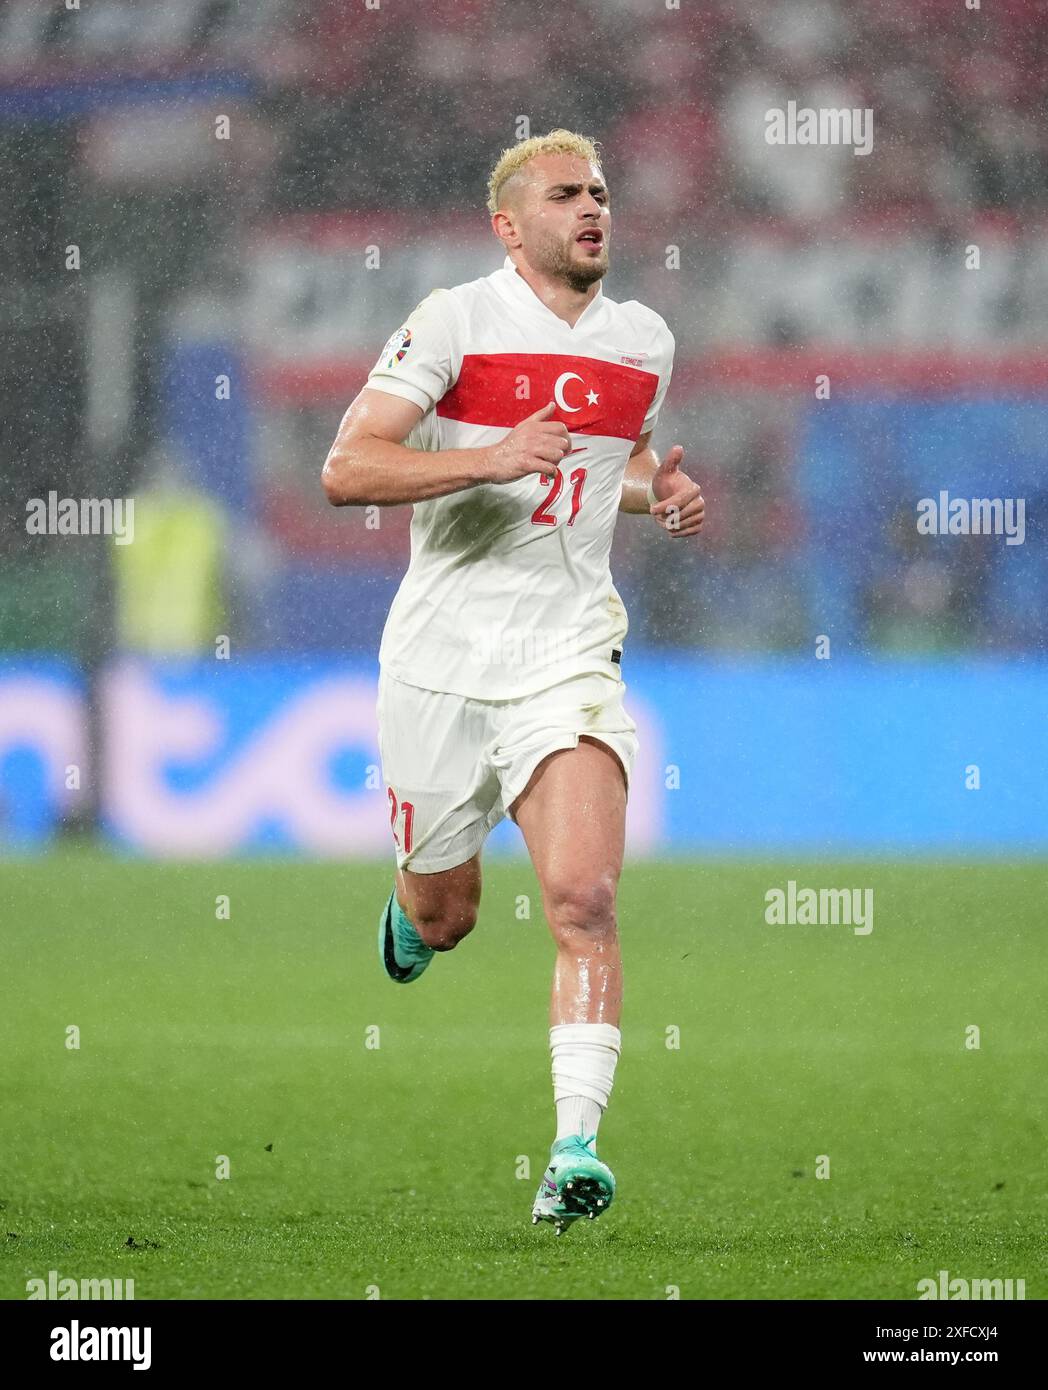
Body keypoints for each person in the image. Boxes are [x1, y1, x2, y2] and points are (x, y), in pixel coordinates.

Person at [322, 130, 705, 1234]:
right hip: (440, 661)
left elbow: (596, 471)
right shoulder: (451, 319)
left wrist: (655, 493)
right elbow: (348, 467)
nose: (592, 209)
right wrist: (486, 454)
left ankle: (572, 1148)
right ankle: (411, 908)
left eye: (600, 192)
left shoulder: (644, 342)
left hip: (566, 653)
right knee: (448, 918)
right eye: (564, 196)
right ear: (508, 224)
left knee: (584, 898)